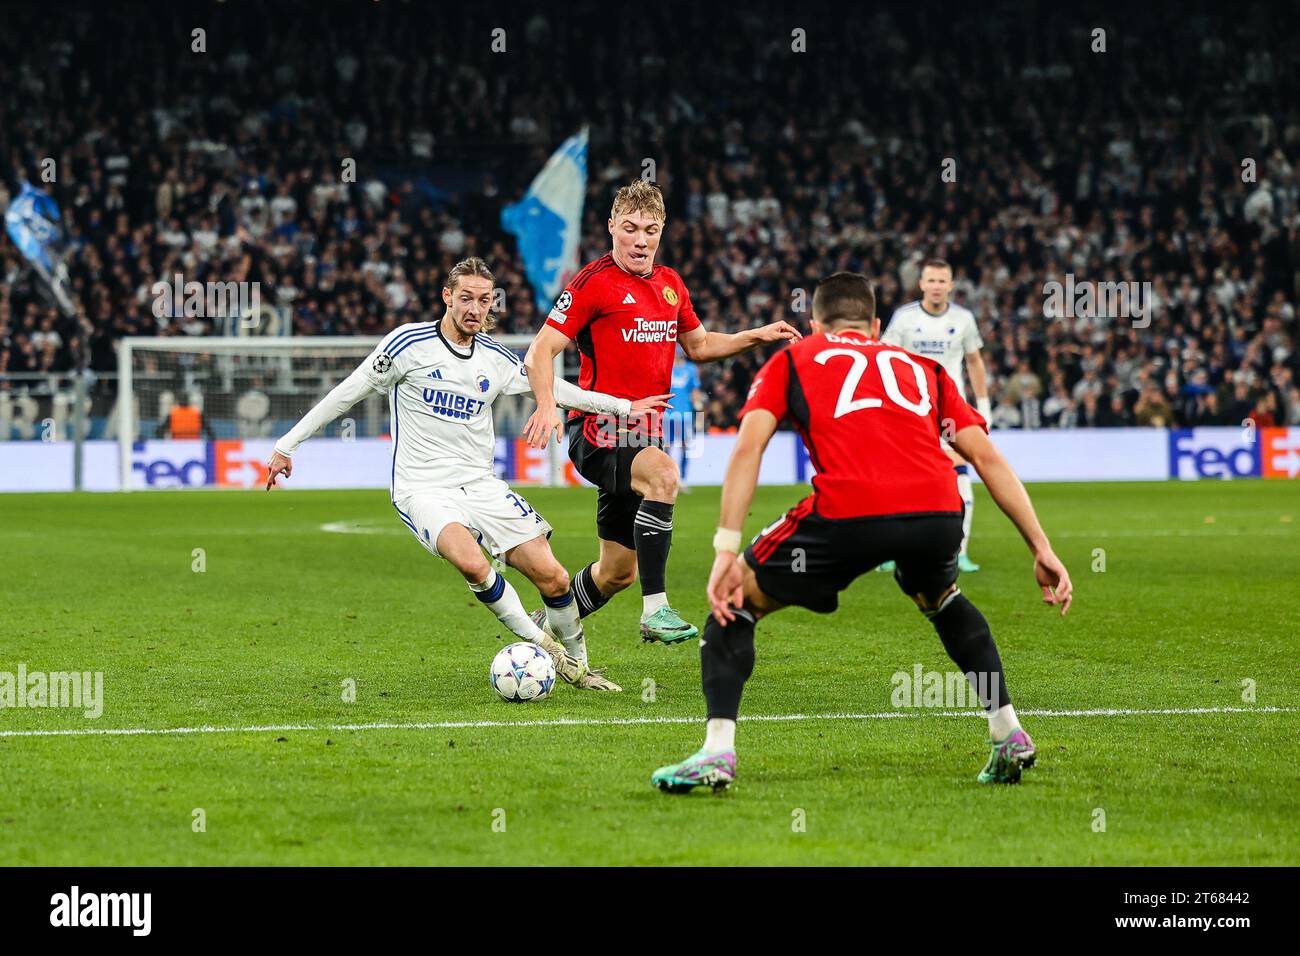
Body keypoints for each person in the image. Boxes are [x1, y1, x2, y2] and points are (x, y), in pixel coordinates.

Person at [651, 273, 1072, 793]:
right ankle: (1007, 730)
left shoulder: (793, 359)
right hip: (939, 514)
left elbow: (748, 449)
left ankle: (717, 752)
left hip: (849, 511)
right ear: (876, 326)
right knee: (941, 597)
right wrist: (1041, 547)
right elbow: (985, 457)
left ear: (814, 323)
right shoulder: (927, 370)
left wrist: (725, 548)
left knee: (734, 600)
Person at [266, 257, 669, 692]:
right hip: (423, 489)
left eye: (484, 300)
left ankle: (581, 665)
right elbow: (346, 393)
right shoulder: (407, 346)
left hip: (481, 485)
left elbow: (555, 390)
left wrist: (624, 407)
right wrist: (287, 445)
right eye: (466, 299)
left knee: (552, 576)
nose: (475, 309)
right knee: (474, 564)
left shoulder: (495, 359)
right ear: (447, 297)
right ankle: (549, 651)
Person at [521, 180, 800, 645]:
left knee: (616, 572)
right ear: (611, 228)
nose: (640, 240)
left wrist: (755, 335)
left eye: (650, 229)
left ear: (661, 231)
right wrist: (548, 404)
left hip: (643, 435)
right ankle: (657, 610)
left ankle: (542, 630)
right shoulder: (592, 283)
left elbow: (701, 344)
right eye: (629, 228)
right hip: (599, 431)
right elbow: (540, 350)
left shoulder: (670, 285)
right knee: (665, 477)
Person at [879, 258, 991, 573]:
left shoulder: (964, 319)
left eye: (943, 280)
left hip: (949, 411)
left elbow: (975, 362)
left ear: (951, 284)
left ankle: (960, 552)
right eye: (932, 280)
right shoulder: (904, 318)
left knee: (960, 476)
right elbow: (885, 358)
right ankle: (891, 550)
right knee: (899, 478)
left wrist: (983, 407)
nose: (937, 286)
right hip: (910, 408)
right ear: (921, 284)